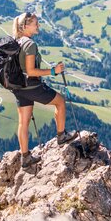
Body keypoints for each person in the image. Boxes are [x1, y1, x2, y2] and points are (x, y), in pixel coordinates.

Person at [11, 11, 78, 167]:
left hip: (19, 87)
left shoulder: (17, 41)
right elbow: (31, 70)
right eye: (35, 23)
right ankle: (61, 136)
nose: (38, 26)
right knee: (60, 102)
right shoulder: (30, 44)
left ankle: (25, 157)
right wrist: (53, 71)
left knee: (23, 123)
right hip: (31, 85)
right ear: (25, 25)